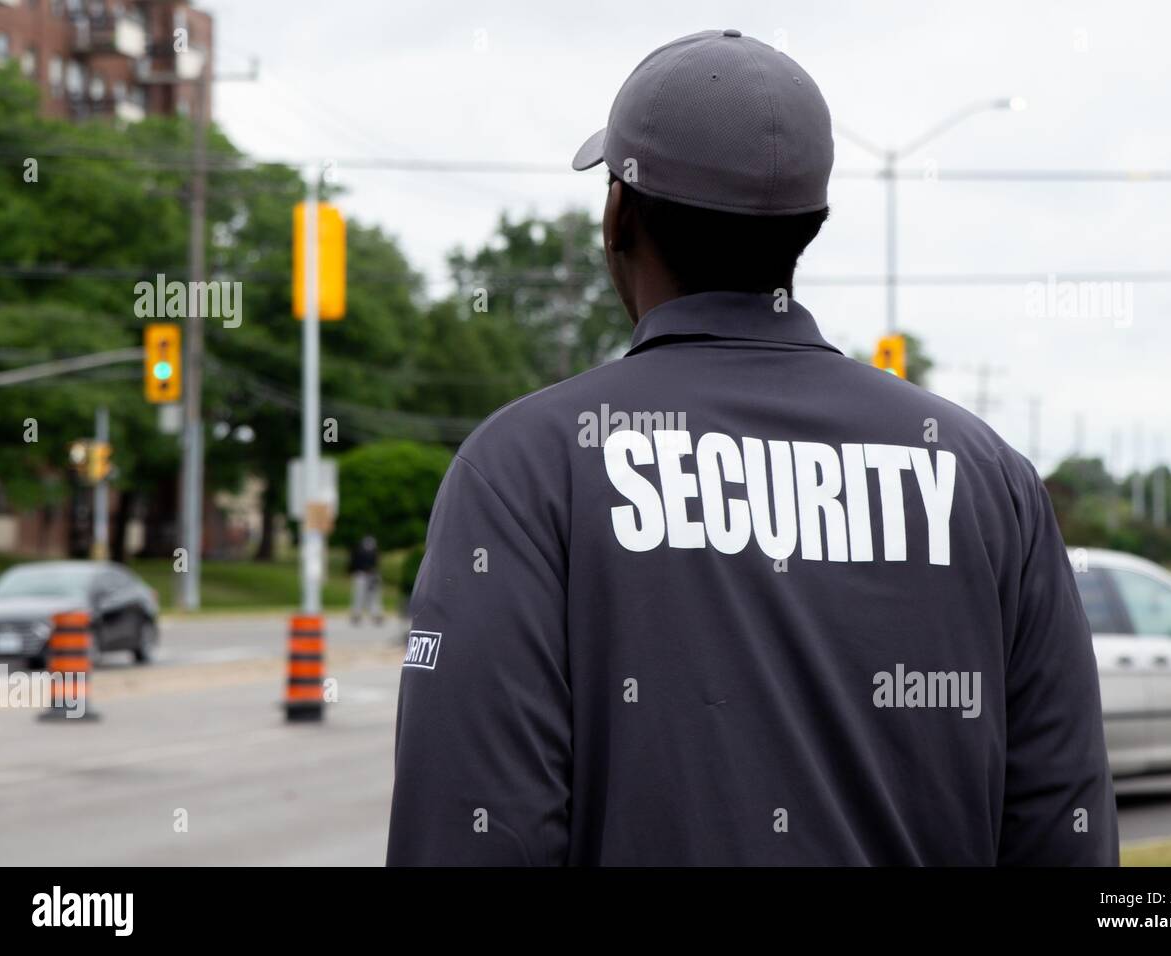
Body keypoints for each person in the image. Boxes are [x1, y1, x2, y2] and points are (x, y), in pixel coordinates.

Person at [387, 29, 1118, 865]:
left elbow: (469, 832)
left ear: (619, 213)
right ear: (811, 224)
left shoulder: (525, 468)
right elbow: (1065, 829)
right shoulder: (989, 480)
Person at [348, 534, 382, 625]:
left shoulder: (367, 551)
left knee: (373, 596)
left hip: (370, 575)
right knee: (359, 595)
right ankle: (357, 614)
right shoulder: (361, 551)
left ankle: (374, 613)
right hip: (362, 574)